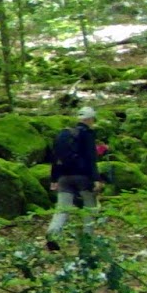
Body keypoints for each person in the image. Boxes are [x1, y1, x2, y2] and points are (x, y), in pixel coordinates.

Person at [47, 107, 100, 252]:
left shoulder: (63, 134)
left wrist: (54, 179)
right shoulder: (87, 134)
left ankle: (53, 232)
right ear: (90, 119)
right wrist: (96, 179)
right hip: (83, 178)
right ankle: (87, 242)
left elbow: (55, 157)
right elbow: (91, 158)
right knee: (89, 209)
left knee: (62, 209)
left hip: (63, 178)